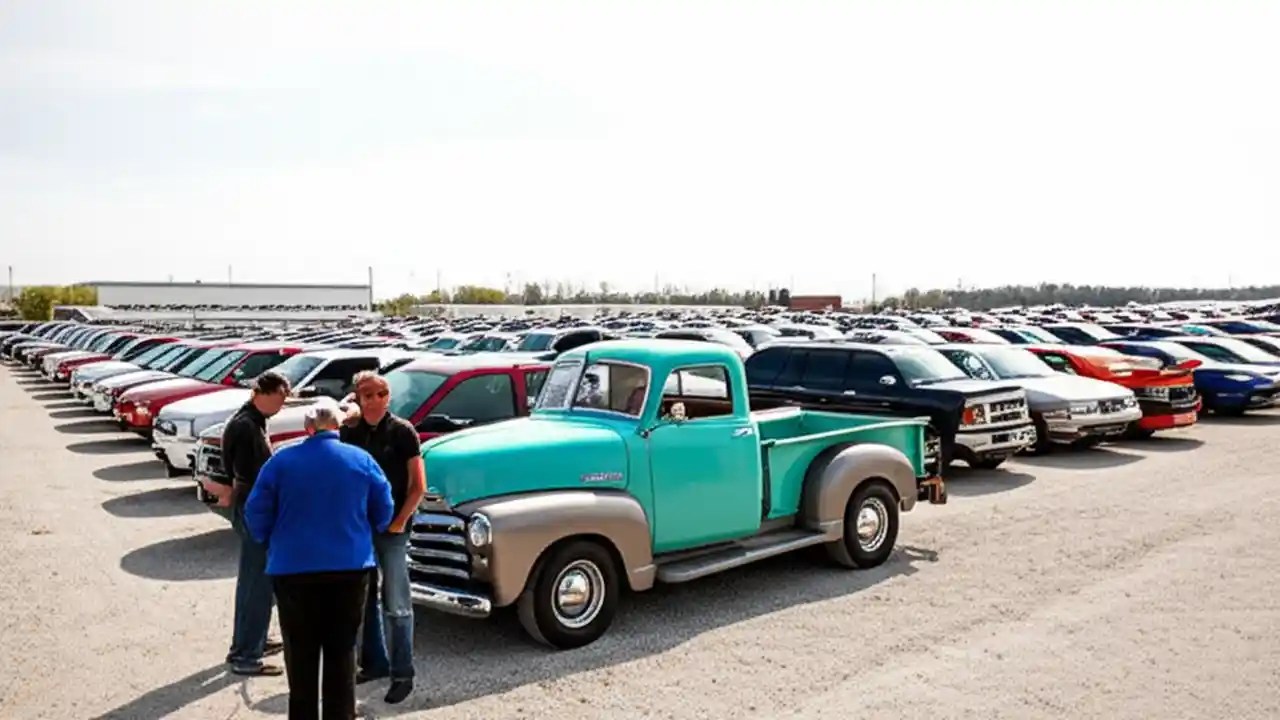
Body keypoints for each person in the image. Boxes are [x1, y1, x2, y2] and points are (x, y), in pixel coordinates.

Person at [243, 404, 395, 720]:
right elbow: (384, 509)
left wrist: (270, 540)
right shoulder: (361, 460)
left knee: (300, 652)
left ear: (307, 428)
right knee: (342, 651)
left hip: (293, 568)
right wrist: (366, 530)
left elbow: (255, 511)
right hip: (349, 568)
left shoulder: (281, 462)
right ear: (337, 428)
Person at [339, 370, 425, 705]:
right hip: (359, 528)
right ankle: (373, 663)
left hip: (392, 529)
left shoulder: (402, 432)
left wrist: (399, 521)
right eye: (366, 395)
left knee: (397, 603)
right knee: (363, 600)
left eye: (379, 394)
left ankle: (402, 673)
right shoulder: (350, 432)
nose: (373, 400)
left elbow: (418, 485)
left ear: (388, 397)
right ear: (357, 398)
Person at [222, 370, 291, 676]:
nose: (281, 405)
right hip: (253, 506)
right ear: (261, 393)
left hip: (248, 502)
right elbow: (257, 474)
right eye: (279, 398)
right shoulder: (246, 426)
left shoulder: (251, 421)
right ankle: (246, 654)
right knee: (257, 583)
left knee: (257, 580)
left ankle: (253, 641)